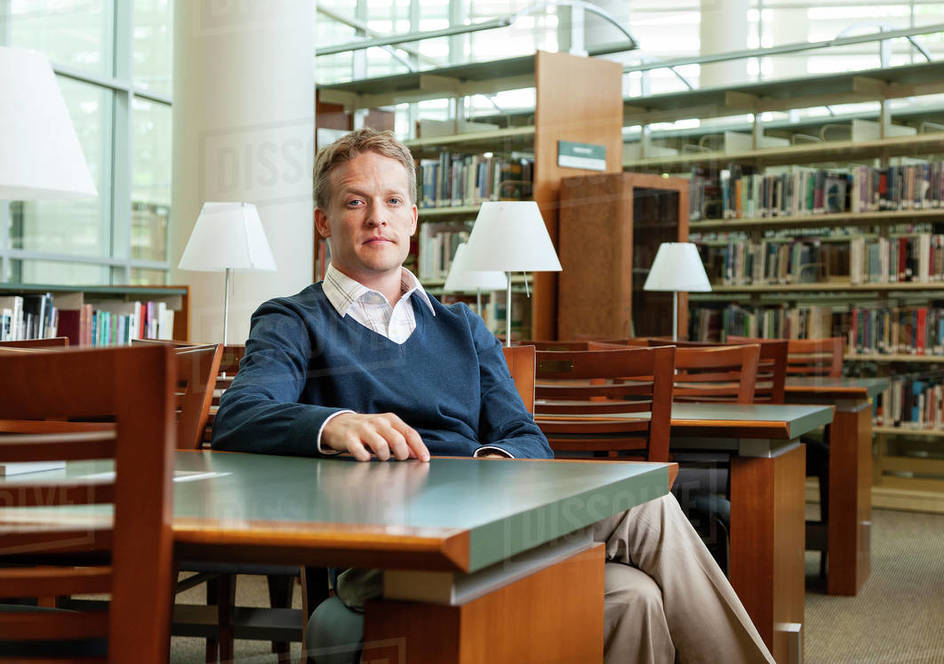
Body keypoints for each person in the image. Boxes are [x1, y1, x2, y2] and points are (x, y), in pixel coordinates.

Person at [212, 129, 774, 664]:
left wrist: (486, 469)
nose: (377, 216)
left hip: (492, 521)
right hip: (387, 546)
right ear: (324, 221)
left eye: (392, 200)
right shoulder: (292, 319)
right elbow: (240, 417)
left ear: (413, 218)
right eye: (355, 202)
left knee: (634, 594)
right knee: (645, 502)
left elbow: (528, 440)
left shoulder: (463, 327)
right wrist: (335, 424)